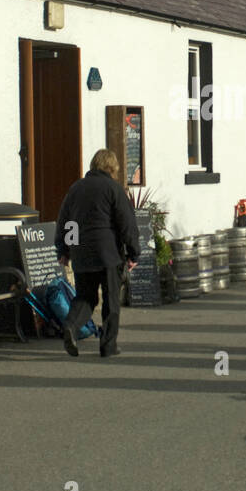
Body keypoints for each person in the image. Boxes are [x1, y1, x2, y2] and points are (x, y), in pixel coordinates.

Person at [55, 149, 141, 358]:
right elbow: (126, 223)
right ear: (112, 168)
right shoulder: (114, 189)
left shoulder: (75, 188)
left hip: (82, 253)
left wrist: (65, 249)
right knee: (111, 300)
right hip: (108, 253)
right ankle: (108, 346)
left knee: (85, 297)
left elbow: (67, 221)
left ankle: (71, 326)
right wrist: (133, 253)